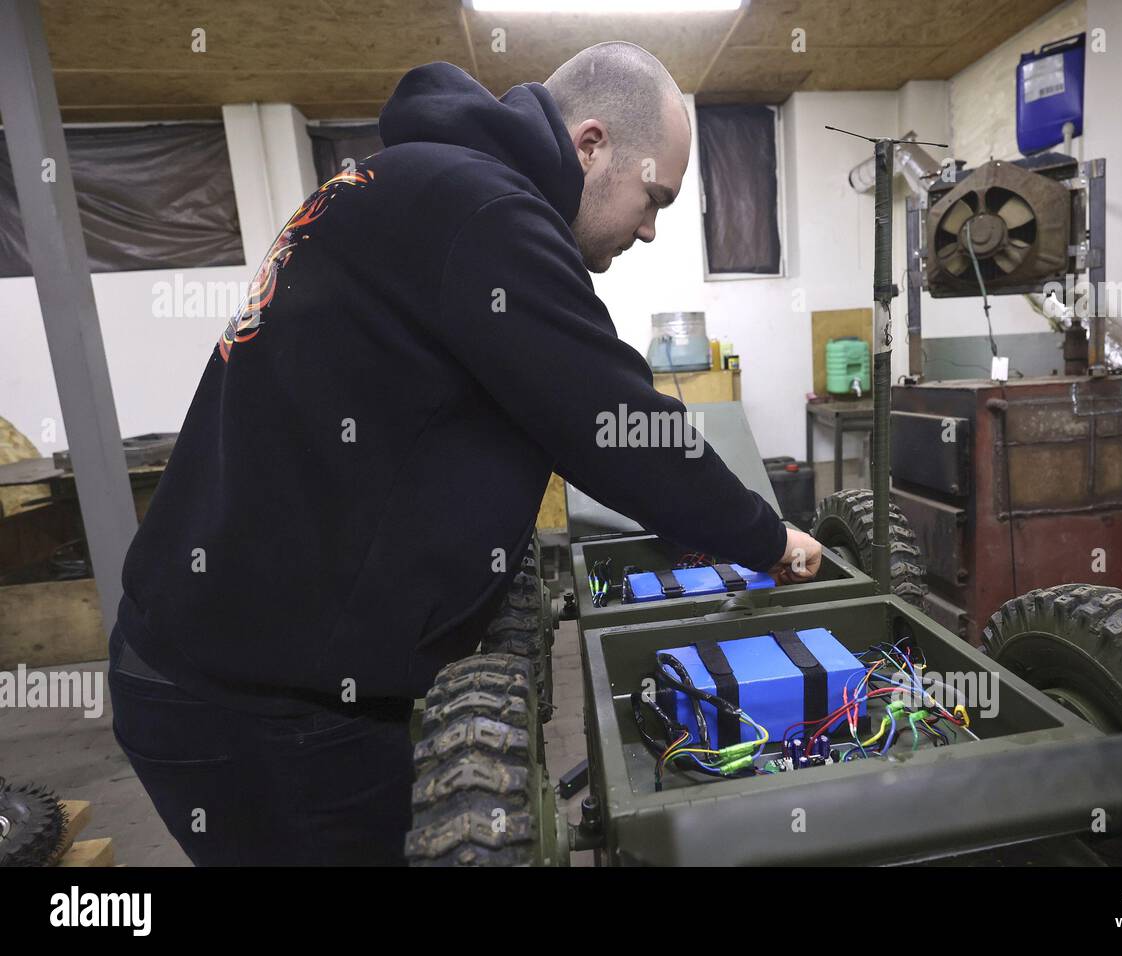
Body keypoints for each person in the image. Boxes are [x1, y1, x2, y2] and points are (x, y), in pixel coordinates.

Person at [108, 41, 822, 866]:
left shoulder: (417, 179)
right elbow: (617, 424)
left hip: (212, 667)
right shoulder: (488, 212)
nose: (653, 230)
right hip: (260, 712)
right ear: (591, 145)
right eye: (653, 197)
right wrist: (769, 538)